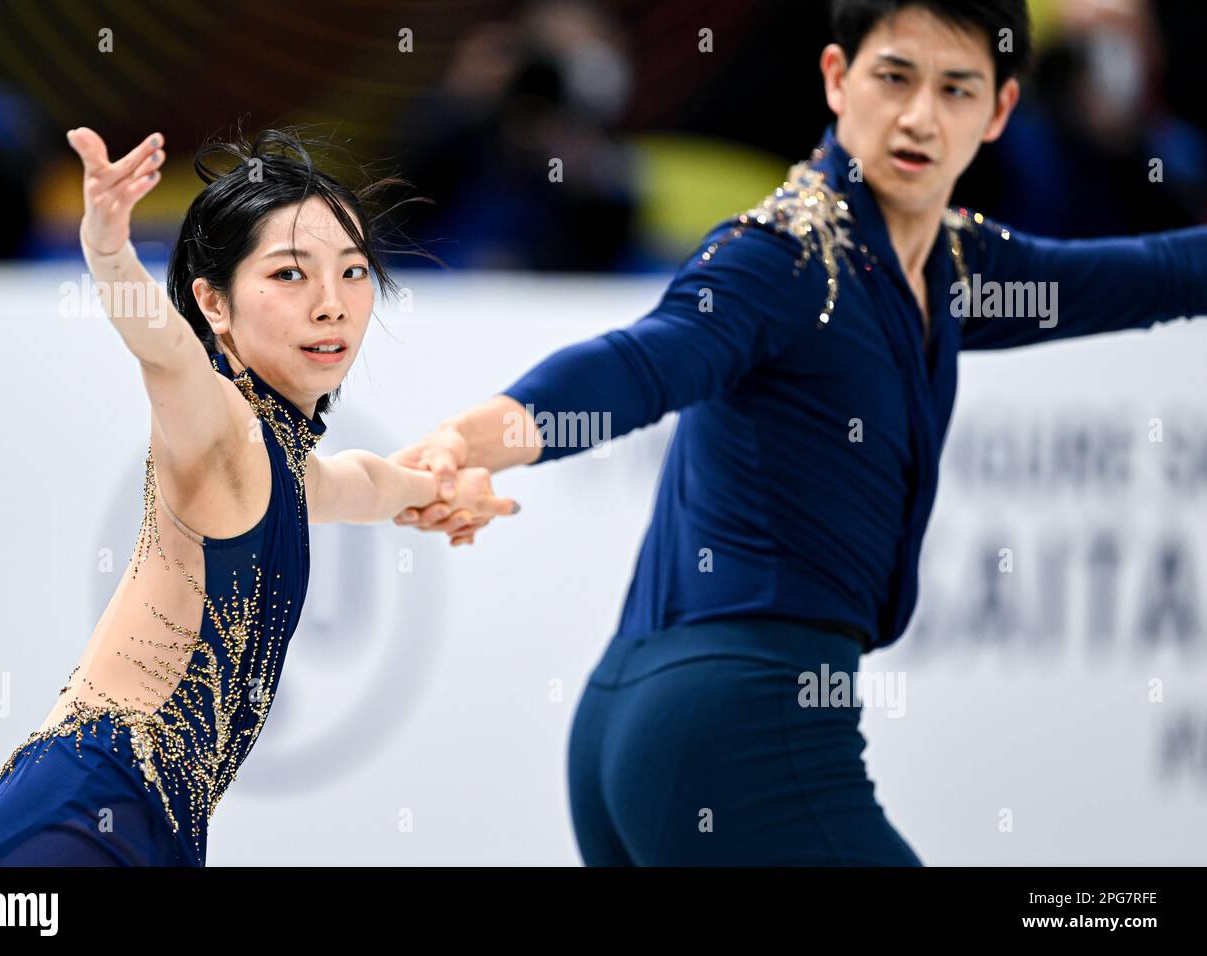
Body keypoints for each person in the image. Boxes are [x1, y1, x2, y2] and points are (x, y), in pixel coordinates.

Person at [391, 0, 1207, 865]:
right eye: (894, 76)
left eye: (957, 89)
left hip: (649, 723)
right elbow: (641, 364)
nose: (920, 116)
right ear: (836, 78)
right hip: (736, 728)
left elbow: (1152, 275)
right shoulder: (784, 255)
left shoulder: (959, 265)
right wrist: (471, 438)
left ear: (999, 111)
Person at [0, 126, 517, 866]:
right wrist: (110, 248)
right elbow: (163, 348)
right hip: (84, 812)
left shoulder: (287, 466)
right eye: (289, 275)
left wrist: (444, 490)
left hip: (157, 823)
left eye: (352, 272)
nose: (331, 304)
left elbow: (368, 483)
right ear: (213, 304)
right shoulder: (218, 421)